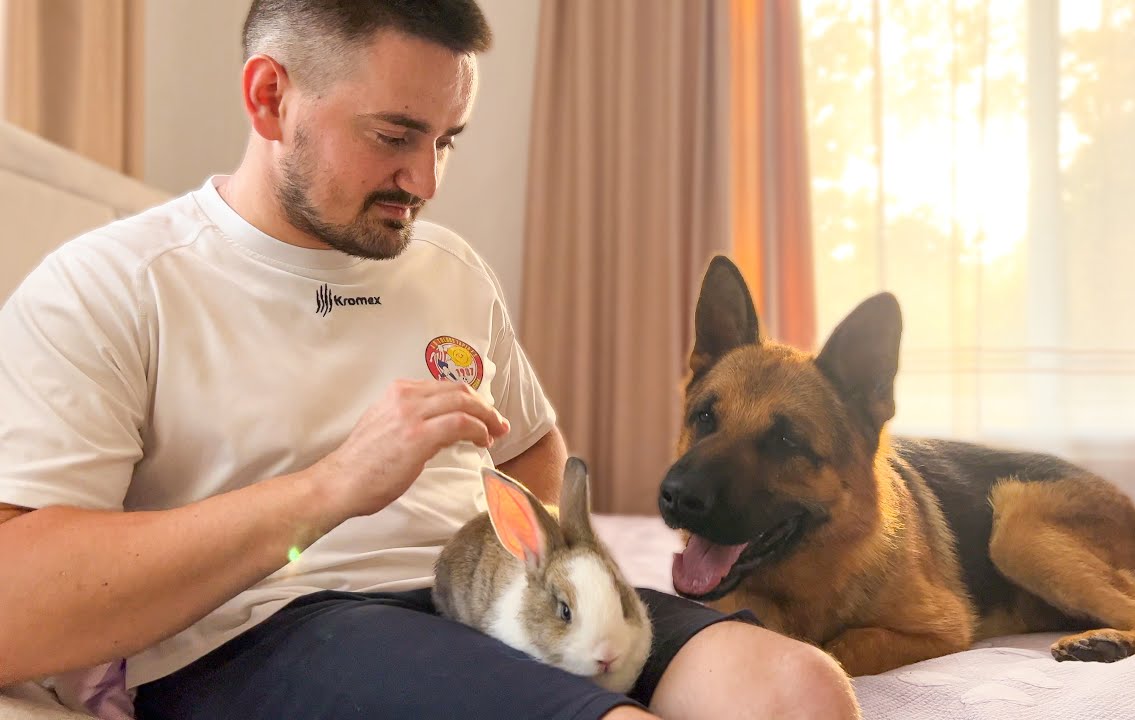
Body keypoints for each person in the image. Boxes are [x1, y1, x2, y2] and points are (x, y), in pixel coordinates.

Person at [0, 2, 861, 718]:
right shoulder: (111, 286)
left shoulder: (447, 267)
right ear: (270, 99)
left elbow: (530, 450)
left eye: (446, 141)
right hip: (271, 629)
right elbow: (14, 606)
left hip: (491, 599)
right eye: (394, 136)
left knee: (801, 691)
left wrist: (557, 577)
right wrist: (331, 489)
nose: (426, 180)